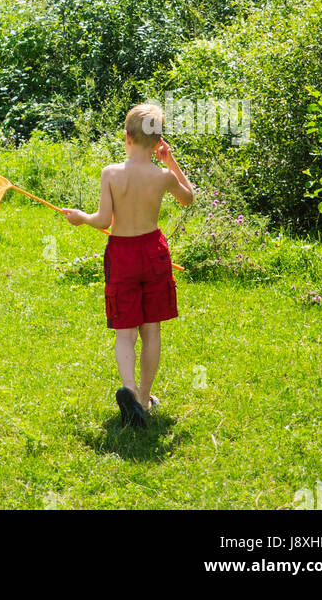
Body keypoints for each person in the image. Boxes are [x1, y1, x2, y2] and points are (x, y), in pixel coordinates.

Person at [65, 103, 195, 430]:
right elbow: (189, 198)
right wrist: (171, 161)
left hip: (122, 254)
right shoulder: (162, 176)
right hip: (153, 253)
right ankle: (144, 400)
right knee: (151, 330)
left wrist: (81, 218)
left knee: (125, 332)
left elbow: (103, 220)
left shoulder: (111, 173)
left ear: (126, 136)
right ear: (157, 142)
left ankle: (129, 387)